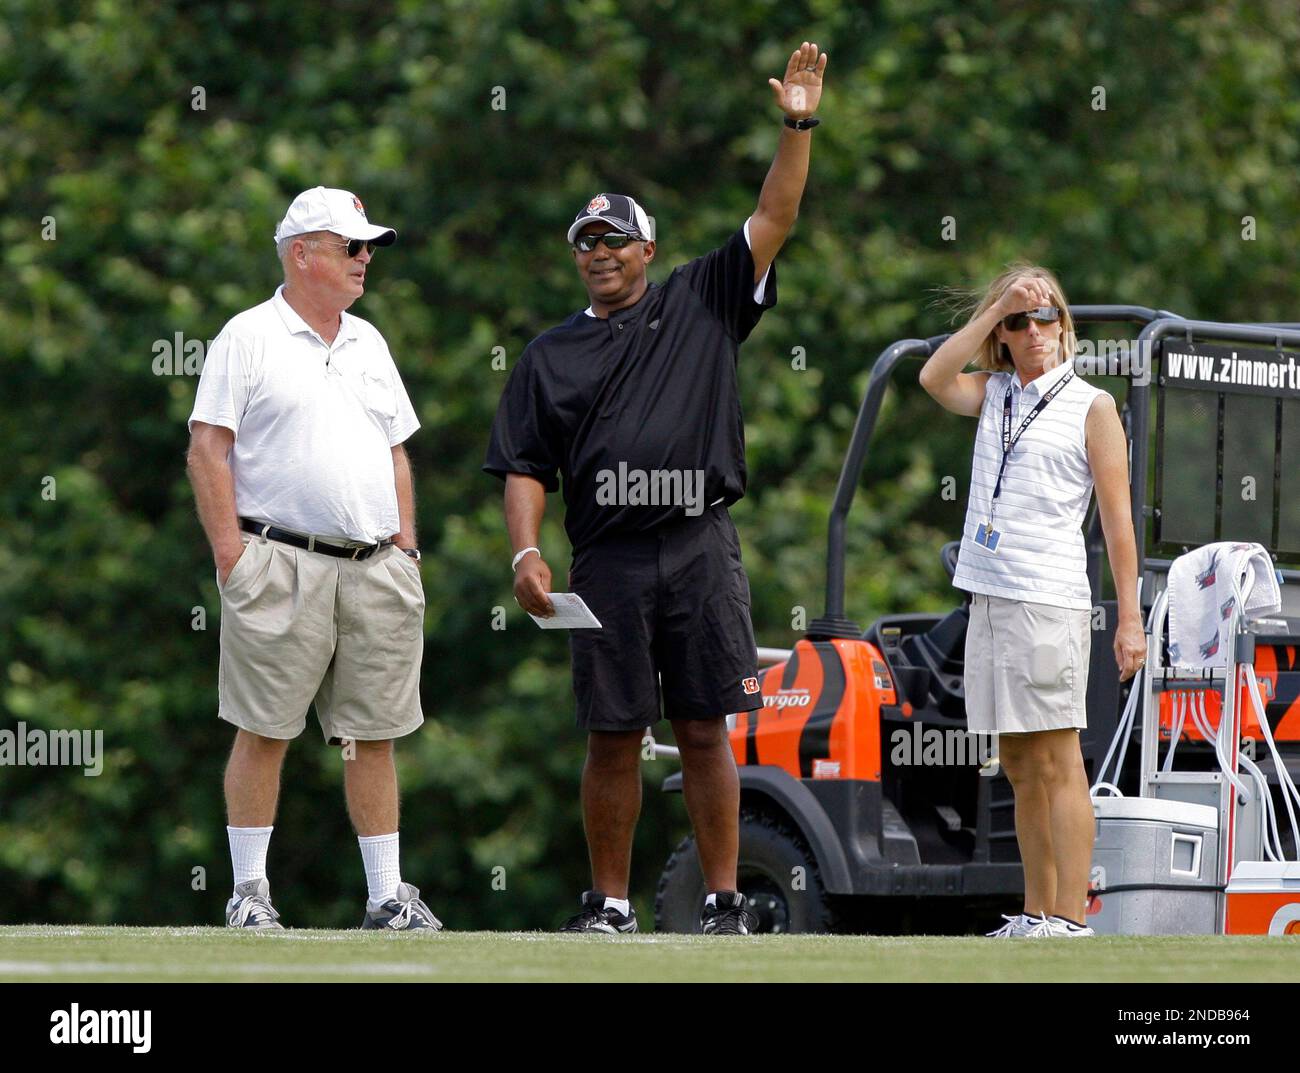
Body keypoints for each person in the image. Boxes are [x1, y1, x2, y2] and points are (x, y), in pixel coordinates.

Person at [484, 43, 829, 935]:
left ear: (647, 248)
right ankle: (611, 903)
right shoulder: (549, 355)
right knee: (612, 734)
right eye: (584, 242)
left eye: (612, 239)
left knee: (707, 724)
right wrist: (525, 550)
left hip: (699, 540)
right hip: (608, 556)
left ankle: (722, 901)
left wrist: (796, 125)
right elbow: (523, 463)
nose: (597, 253)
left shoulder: (702, 298)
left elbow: (775, 213)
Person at [187, 187, 440, 931]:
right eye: (351, 246)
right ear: (303, 253)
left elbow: (397, 450)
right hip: (279, 562)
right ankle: (249, 894)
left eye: (369, 248)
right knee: (265, 729)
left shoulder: (369, 341)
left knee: (374, 734)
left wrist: (407, 548)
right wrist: (232, 558)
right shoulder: (247, 335)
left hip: (375, 567)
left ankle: (387, 896)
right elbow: (208, 450)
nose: (366, 260)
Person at [919, 266, 1146, 938]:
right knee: (1018, 761)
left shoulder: (1091, 405)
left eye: (1044, 315)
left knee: (1057, 756)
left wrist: (1129, 616)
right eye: (1018, 322)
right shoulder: (994, 393)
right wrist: (995, 308)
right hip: (990, 596)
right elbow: (933, 376)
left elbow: (1118, 521)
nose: (1033, 329)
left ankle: (1070, 918)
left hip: (1047, 600)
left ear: (1064, 324)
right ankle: (1036, 911)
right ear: (1003, 335)